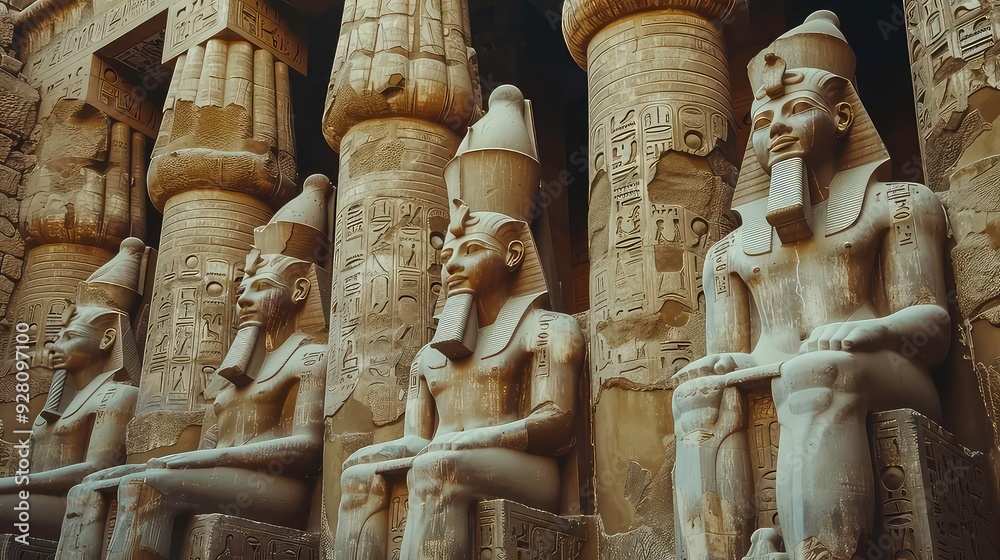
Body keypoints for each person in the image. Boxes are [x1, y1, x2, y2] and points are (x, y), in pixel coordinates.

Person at [671, 12, 950, 560]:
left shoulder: (895, 206)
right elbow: (732, 350)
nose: (774, 125)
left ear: (844, 116)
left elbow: (933, 326)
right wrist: (722, 362)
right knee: (696, 398)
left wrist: (868, 331)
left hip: (885, 368)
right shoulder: (728, 252)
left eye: (796, 109)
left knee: (814, 370)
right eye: (760, 118)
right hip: (788, 371)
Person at [55, 176, 332, 560]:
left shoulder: (310, 355)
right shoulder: (233, 374)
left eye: (261, 286)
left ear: (299, 292)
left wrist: (201, 459)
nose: (245, 298)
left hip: (276, 488)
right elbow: (208, 443)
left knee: (144, 487)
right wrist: (197, 457)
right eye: (242, 289)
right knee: (86, 490)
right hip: (215, 475)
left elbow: (306, 445)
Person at [335, 200, 586, 560]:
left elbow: (556, 422)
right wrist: (379, 451)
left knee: (437, 468)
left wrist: (465, 441)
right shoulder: (427, 357)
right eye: (447, 256)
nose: (452, 264)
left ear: (513, 255)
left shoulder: (548, 328)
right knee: (357, 478)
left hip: (528, 470)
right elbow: (418, 439)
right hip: (448, 458)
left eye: (471, 250)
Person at [0, 238, 146, 540]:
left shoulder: (117, 396)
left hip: (76, 509)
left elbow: (96, 468)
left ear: (107, 339)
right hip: (31, 501)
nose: (55, 345)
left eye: (70, 336)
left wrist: (14, 484)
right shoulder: (50, 411)